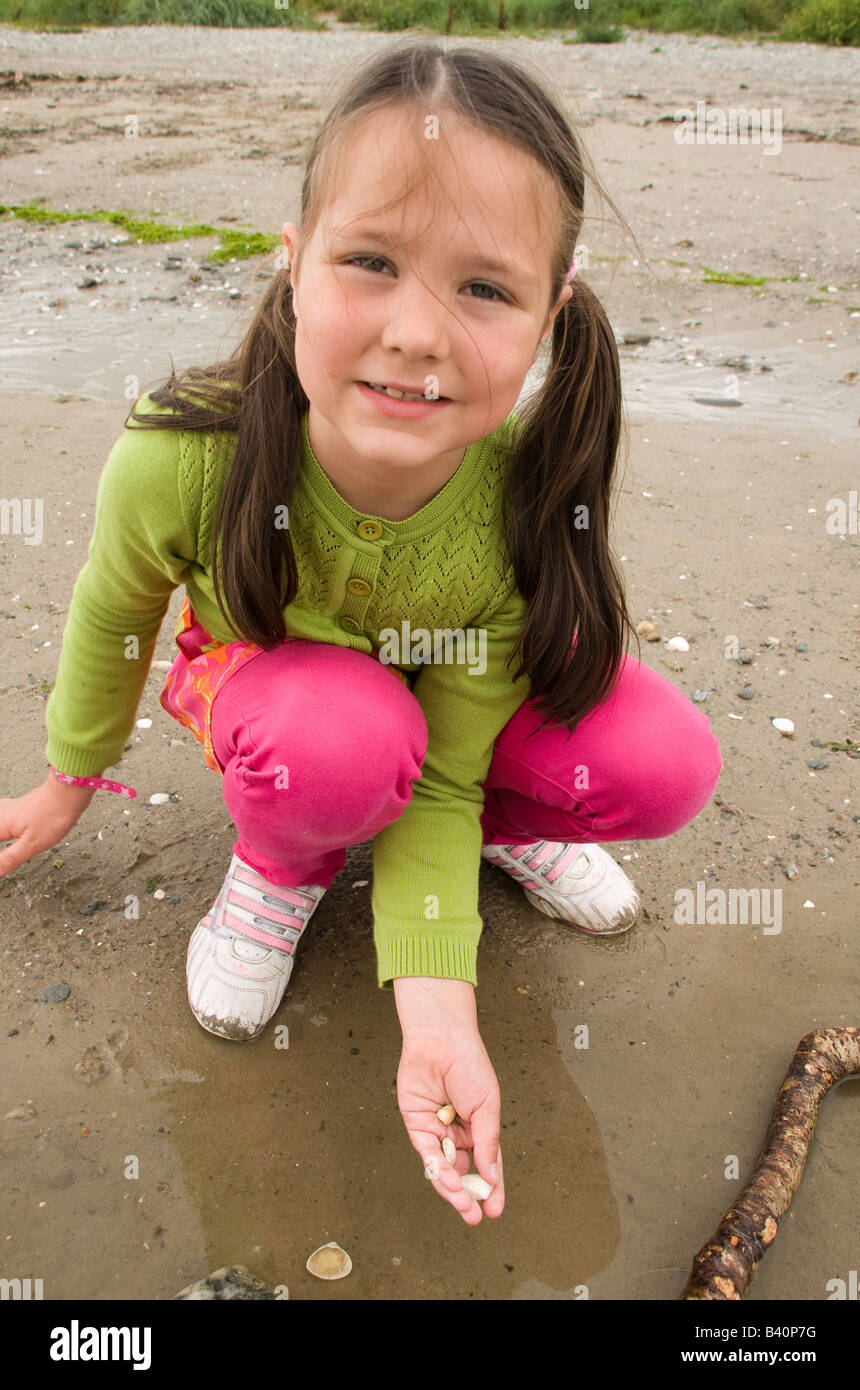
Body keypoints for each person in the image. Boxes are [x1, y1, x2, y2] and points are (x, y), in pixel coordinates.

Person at [0, 40, 722, 1228]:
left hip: (432, 723)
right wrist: (70, 777)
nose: (415, 332)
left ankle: (500, 835)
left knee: (659, 757)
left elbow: (437, 771)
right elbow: (113, 608)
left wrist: (438, 1015)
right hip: (287, 708)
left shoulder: (514, 502)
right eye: (370, 263)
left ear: (553, 312)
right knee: (340, 735)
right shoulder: (182, 453)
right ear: (293, 270)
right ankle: (281, 871)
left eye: (483, 288)